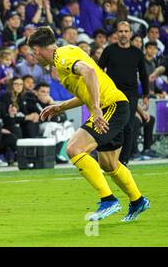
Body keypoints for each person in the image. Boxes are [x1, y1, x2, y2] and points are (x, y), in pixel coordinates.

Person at [28, 26, 150, 222]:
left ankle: (108, 200)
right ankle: (138, 201)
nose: (34, 58)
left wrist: (96, 109)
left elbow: (90, 72)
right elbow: (85, 88)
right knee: (108, 163)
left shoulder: (61, 56)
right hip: (115, 105)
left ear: (38, 49)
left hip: (110, 106)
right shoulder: (65, 58)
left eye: (33, 53)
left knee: (74, 148)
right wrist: (60, 107)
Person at [98, 21, 149, 166]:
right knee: (108, 125)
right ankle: (107, 159)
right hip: (111, 93)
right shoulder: (109, 50)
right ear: (116, 33)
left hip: (130, 94)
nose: (123, 34)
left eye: (126, 31)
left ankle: (124, 160)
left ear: (131, 34)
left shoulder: (137, 52)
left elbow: (144, 75)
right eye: (120, 31)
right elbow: (99, 70)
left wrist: (145, 95)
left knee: (127, 126)